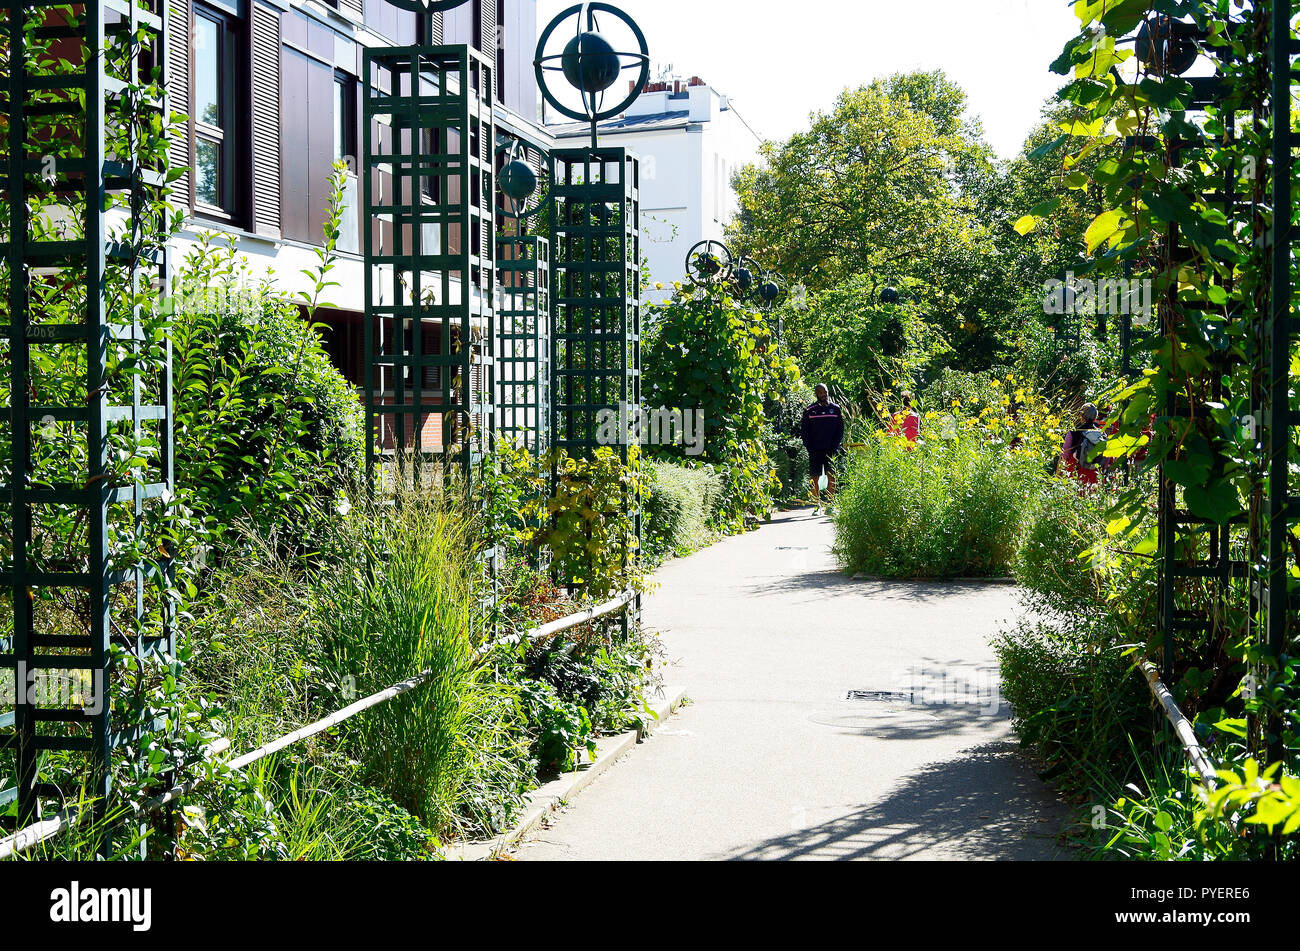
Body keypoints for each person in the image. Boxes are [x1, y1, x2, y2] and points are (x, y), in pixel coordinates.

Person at [801, 384, 844, 511]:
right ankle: (816, 504)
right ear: (816, 394)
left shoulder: (836, 409)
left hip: (832, 449)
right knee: (815, 477)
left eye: (824, 391)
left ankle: (830, 505)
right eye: (820, 392)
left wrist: (836, 445)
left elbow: (840, 429)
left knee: (832, 476)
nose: (823, 394)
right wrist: (810, 447)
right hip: (815, 450)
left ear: (827, 391)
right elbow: (804, 432)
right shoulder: (809, 410)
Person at [1061, 403, 1105, 486]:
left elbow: (1065, 454)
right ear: (1095, 417)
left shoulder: (1073, 433)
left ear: (1081, 416)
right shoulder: (1101, 434)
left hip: (1076, 470)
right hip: (1094, 473)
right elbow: (1107, 457)